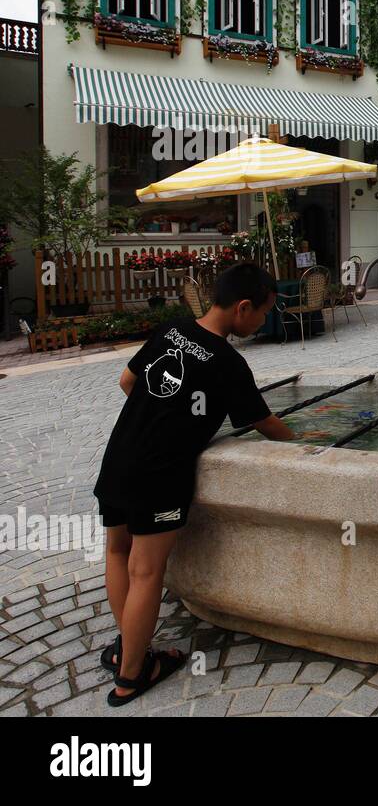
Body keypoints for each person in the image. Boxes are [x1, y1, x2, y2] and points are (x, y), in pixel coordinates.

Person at [94, 263, 294, 706]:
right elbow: (263, 422)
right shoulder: (228, 363)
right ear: (243, 307)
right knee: (147, 572)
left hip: (120, 458)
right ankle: (131, 676)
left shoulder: (171, 330)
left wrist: (162, 417)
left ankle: (128, 647)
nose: (263, 320)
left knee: (118, 552)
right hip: (161, 476)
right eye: (263, 312)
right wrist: (305, 443)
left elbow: (127, 381)